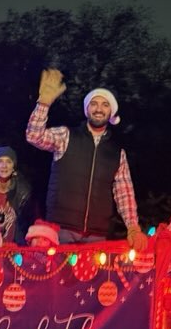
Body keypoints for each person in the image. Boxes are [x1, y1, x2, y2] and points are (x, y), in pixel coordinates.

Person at [26, 68, 147, 250]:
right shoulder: (66, 136)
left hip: (97, 236)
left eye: (105, 105)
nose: (99, 108)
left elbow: (124, 192)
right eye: (94, 104)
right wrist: (43, 104)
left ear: (111, 112)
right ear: (87, 109)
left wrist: (133, 226)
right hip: (61, 230)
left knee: (94, 280)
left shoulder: (116, 151)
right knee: (57, 278)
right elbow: (34, 136)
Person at [0, 146, 33, 244]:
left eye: (8, 161)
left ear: (13, 167)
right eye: (0, 161)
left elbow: (25, 225)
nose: (4, 166)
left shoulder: (23, 192)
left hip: (13, 247)